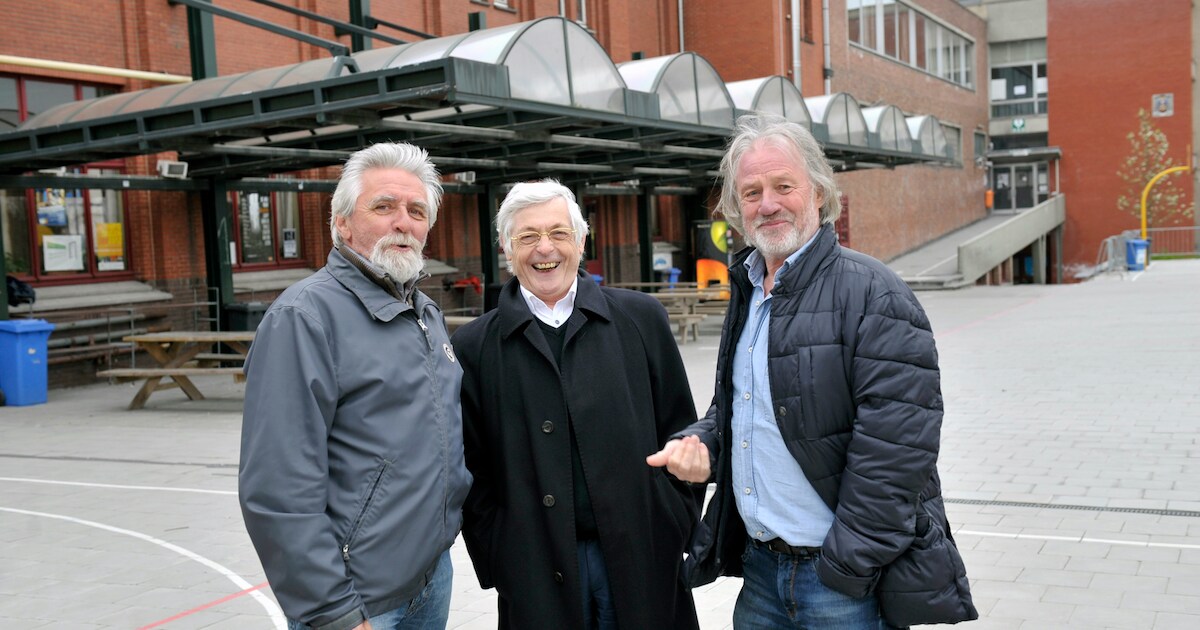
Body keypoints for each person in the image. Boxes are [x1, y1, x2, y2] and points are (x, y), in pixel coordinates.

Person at [647, 114, 977, 629]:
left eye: (784, 186)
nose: (768, 204)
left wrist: (846, 567)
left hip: (840, 584)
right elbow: (743, 404)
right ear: (737, 209)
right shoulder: (750, 291)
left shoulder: (874, 292)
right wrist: (702, 442)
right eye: (751, 192)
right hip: (760, 574)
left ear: (819, 193)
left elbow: (898, 449)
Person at [452, 179, 702, 630]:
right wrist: (499, 555)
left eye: (558, 233)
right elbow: (473, 468)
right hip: (534, 569)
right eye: (528, 236)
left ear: (581, 241)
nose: (544, 248)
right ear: (507, 248)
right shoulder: (473, 346)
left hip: (642, 556)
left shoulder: (642, 319)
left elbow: (682, 429)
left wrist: (675, 523)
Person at [239, 142, 471, 630]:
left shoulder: (424, 312)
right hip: (359, 599)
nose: (403, 222)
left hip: (430, 578)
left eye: (416, 211)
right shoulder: (304, 317)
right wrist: (332, 611)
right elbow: (278, 488)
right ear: (342, 223)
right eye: (384, 207)